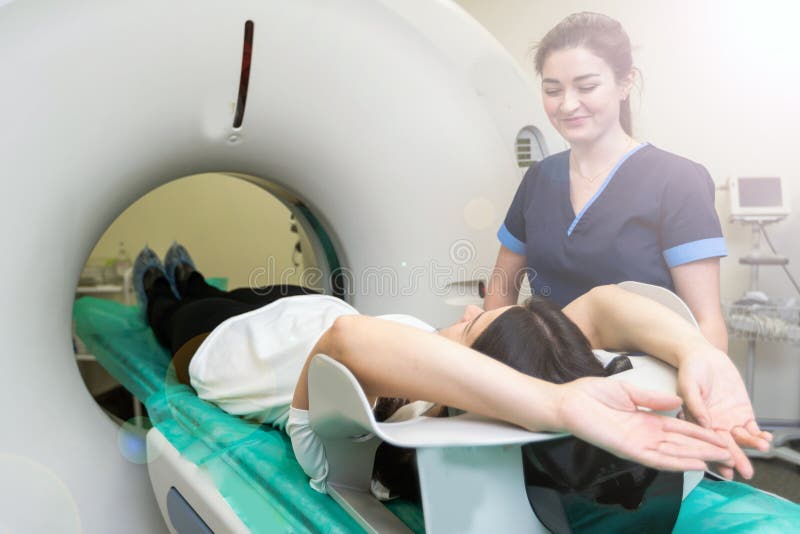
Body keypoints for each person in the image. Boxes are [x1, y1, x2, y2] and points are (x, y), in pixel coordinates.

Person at [134, 243, 766, 500]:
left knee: (179, 306)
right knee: (223, 283)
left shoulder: (354, 441)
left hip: (224, 345)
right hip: (308, 307)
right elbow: (601, 307)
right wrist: (700, 353)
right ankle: (189, 273)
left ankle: (162, 287)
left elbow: (349, 341)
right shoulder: (468, 385)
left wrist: (551, 405)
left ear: (467, 386)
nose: (464, 313)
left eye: (469, 329)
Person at [485, 12, 729, 352]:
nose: (568, 104)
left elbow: (706, 323)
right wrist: (493, 357)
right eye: (553, 90)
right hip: (548, 373)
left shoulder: (677, 180)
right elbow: (500, 291)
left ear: (625, 82)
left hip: (643, 374)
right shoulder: (538, 179)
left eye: (586, 87)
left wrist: (704, 379)